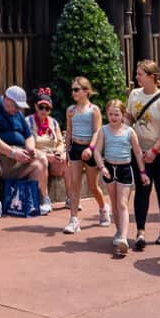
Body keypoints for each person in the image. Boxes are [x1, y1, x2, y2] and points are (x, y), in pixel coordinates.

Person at [124, 61, 160, 249]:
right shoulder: (134, 95)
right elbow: (130, 117)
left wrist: (154, 150)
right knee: (142, 190)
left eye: (140, 74)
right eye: (137, 73)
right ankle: (140, 232)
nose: (137, 77)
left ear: (152, 76)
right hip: (140, 152)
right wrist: (120, 129)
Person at [0, 83, 47, 218]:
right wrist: (12, 152)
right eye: (16, 106)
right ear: (7, 99)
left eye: (20, 107)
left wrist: (30, 149)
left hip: (17, 153)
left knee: (41, 162)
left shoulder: (17, 113)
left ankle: (38, 200)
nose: (18, 109)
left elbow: (28, 136)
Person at [91, 100, 141, 258]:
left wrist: (143, 172)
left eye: (116, 114)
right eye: (111, 114)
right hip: (109, 169)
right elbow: (97, 152)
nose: (113, 117)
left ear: (123, 115)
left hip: (125, 169)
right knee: (114, 202)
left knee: (122, 203)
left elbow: (138, 153)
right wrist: (102, 167)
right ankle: (119, 231)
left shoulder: (129, 131)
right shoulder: (103, 130)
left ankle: (123, 238)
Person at [61, 76, 104, 235]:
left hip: (90, 149)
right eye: (72, 89)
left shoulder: (94, 110)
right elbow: (69, 132)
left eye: (77, 89)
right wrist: (66, 151)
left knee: (93, 186)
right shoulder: (70, 110)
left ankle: (103, 208)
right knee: (74, 184)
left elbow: (97, 132)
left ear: (86, 91)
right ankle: (73, 220)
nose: (73, 92)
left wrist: (91, 149)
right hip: (75, 149)